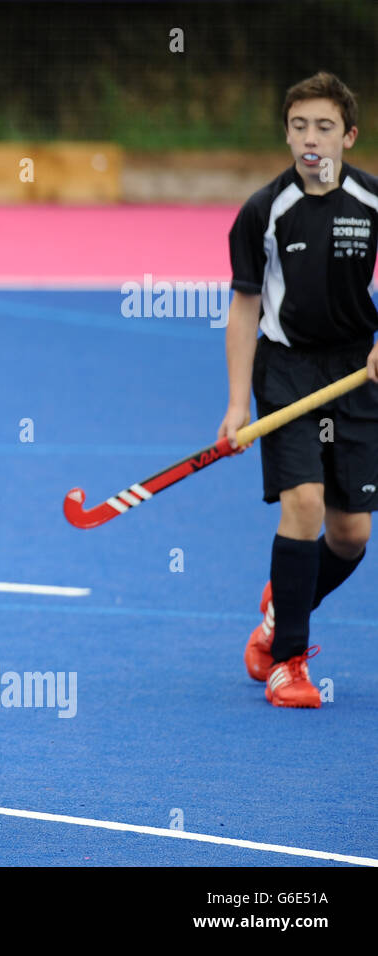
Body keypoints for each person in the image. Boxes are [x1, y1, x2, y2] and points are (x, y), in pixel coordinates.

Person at [223, 72, 378, 708]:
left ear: (349, 134)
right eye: (298, 126)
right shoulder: (264, 210)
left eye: (323, 127)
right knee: (306, 505)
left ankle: (280, 609)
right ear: (286, 133)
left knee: (351, 537)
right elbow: (244, 307)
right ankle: (289, 662)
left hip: (355, 375)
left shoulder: (371, 200)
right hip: (285, 370)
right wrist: (236, 403)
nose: (310, 139)